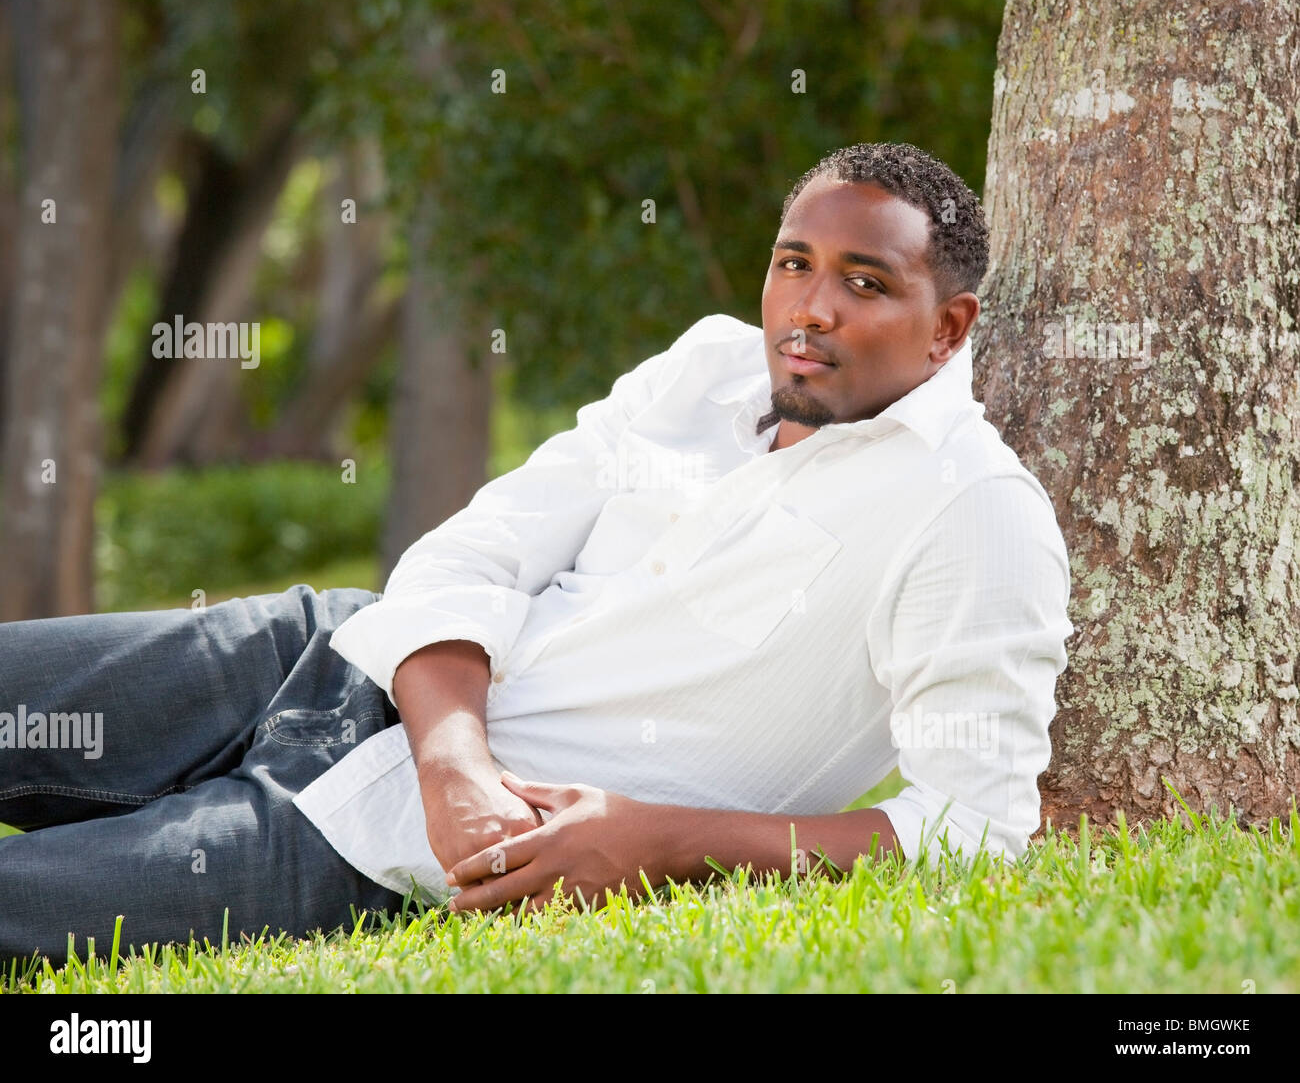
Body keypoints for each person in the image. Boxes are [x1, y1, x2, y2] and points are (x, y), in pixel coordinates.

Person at [0, 141, 1073, 965]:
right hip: (329, 658)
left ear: (948, 327)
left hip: (383, 849)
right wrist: (454, 761)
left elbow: (974, 826)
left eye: (865, 283)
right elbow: (474, 551)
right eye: (794, 264)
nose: (810, 309)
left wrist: (660, 840)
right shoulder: (705, 369)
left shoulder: (971, 512)